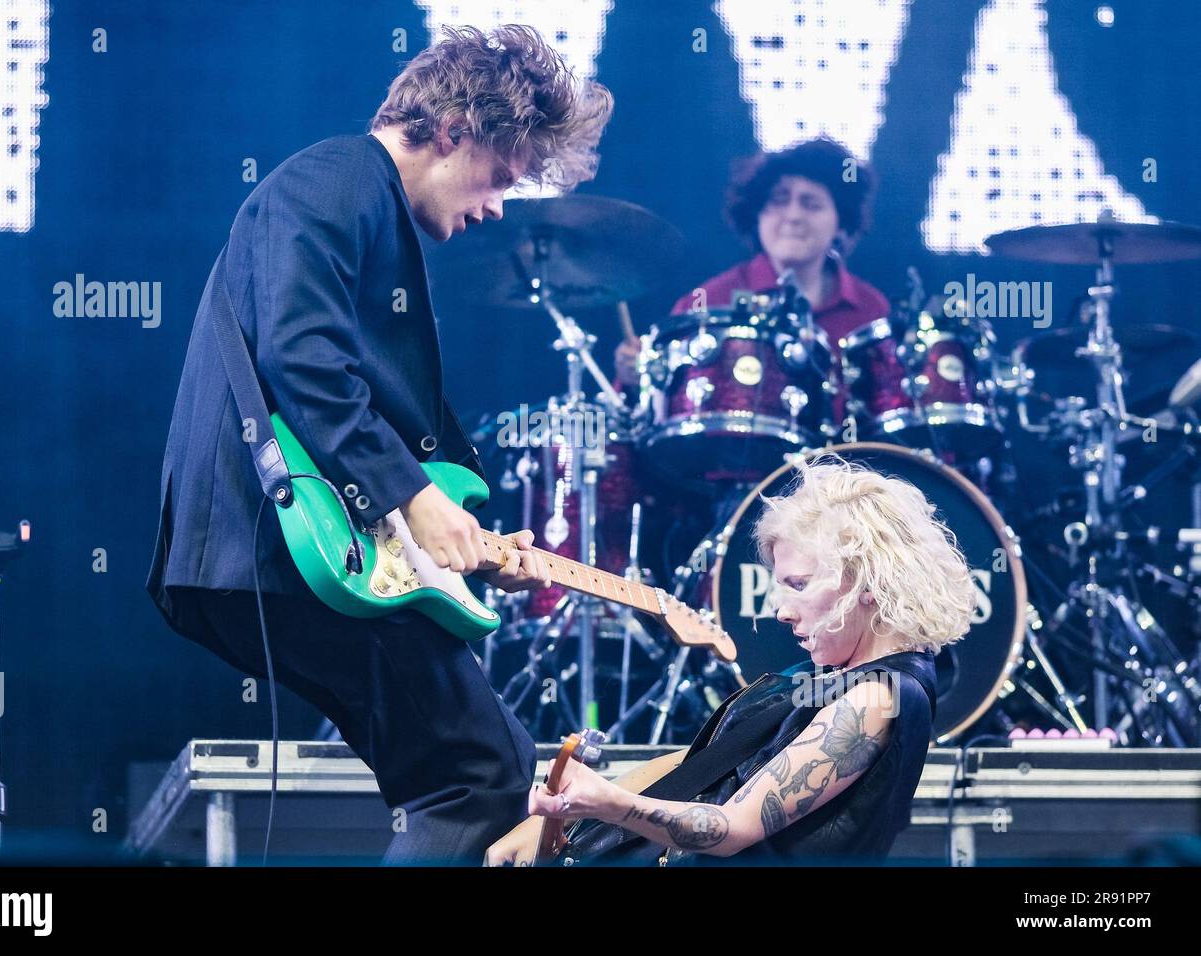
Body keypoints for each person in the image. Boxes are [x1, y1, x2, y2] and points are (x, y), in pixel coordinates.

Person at [145, 24, 613, 865]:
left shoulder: (358, 199)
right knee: (478, 771)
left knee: (474, 768)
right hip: (273, 546)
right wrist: (415, 500)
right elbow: (303, 358)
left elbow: (358, 394)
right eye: (502, 175)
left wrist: (460, 521)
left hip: (286, 548)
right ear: (454, 129)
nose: (500, 203)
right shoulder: (336, 178)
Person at [485, 455, 977, 865]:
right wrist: (563, 816)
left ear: (869, 583)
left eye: (799, 585)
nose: (780, 611)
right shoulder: (822, 680)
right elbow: (699, 764)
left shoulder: (877, 698)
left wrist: (606, 803)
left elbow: (734, 827)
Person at [614, 137, 887, 401]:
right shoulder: (706, 303)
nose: (793, 216)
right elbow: (652, 420)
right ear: (755, 215)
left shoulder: (872, 311)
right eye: (779, 200)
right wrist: (634, 381)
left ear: (841, 223)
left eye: (811, 204)